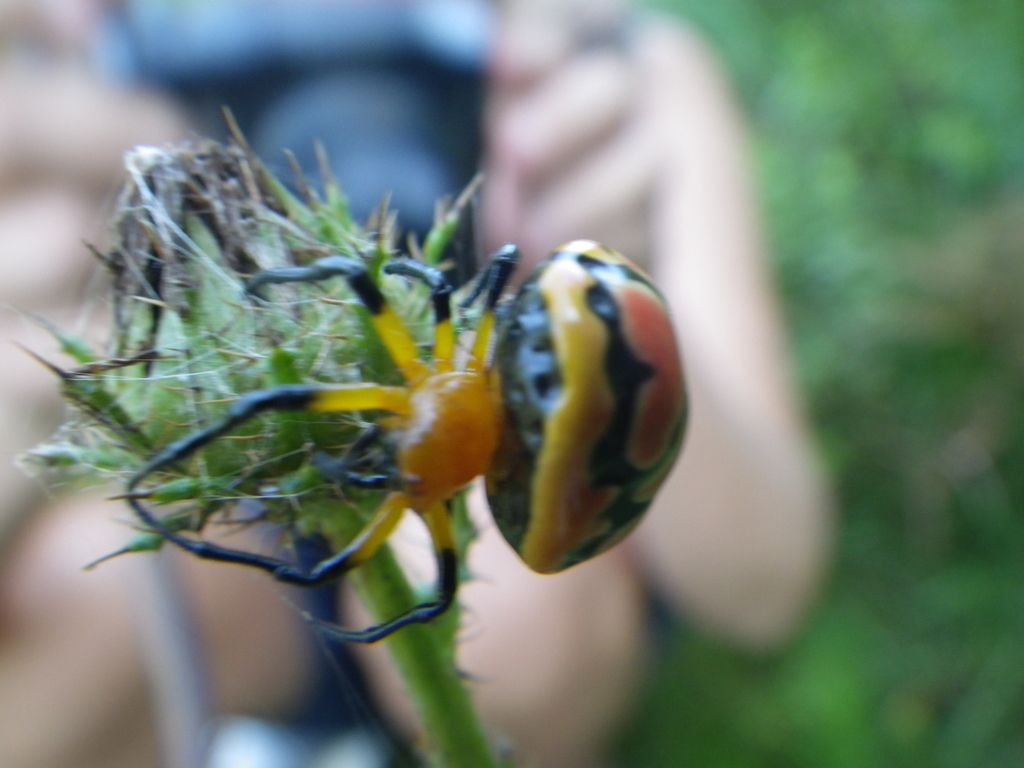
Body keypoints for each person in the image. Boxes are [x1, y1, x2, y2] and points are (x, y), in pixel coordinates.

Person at [0, 1, 831, 767]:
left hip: (521, 510)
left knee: (519, 629)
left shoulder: (603, 54)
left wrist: (619, 239)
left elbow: (765, 583)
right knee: (83, 599)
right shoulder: (75, 43)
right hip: (249, 568)